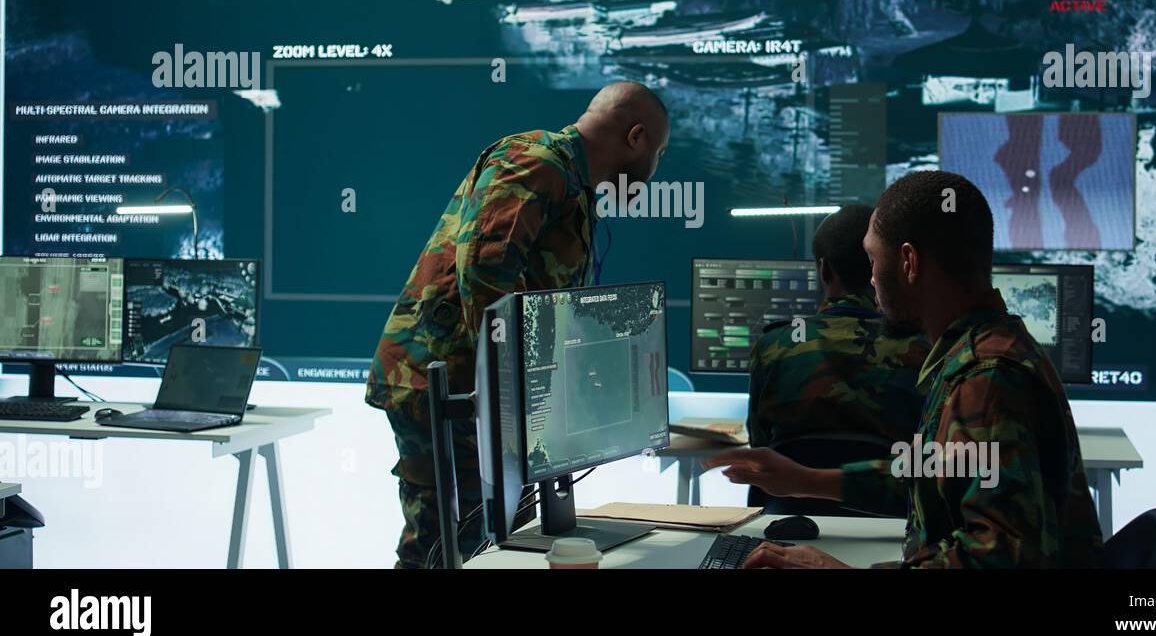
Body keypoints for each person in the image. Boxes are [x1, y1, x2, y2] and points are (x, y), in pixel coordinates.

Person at [708, 171, 1103, 569]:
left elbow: (1002, 556)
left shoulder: (987, 378)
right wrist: (802, 479)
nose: (873, 279)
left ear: (909, 262)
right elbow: (931, 475)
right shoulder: (974, 353)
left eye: (874, 260)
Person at [367, 82, 670, 568]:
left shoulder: (571, 185)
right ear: (636, 138)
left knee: (499, 541)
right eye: (660, 152)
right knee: (445, 546)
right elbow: (485, 275)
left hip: (483, 391)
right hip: (444, 385)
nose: (655, 170)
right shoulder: (536, 162)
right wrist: (521, 391)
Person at [746, 204, 930, 459]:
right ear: (881, 268)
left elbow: (759, 450)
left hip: (784, 499)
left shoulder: (772, 348)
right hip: (883, 499)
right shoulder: (922, 352)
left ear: (824, 270)